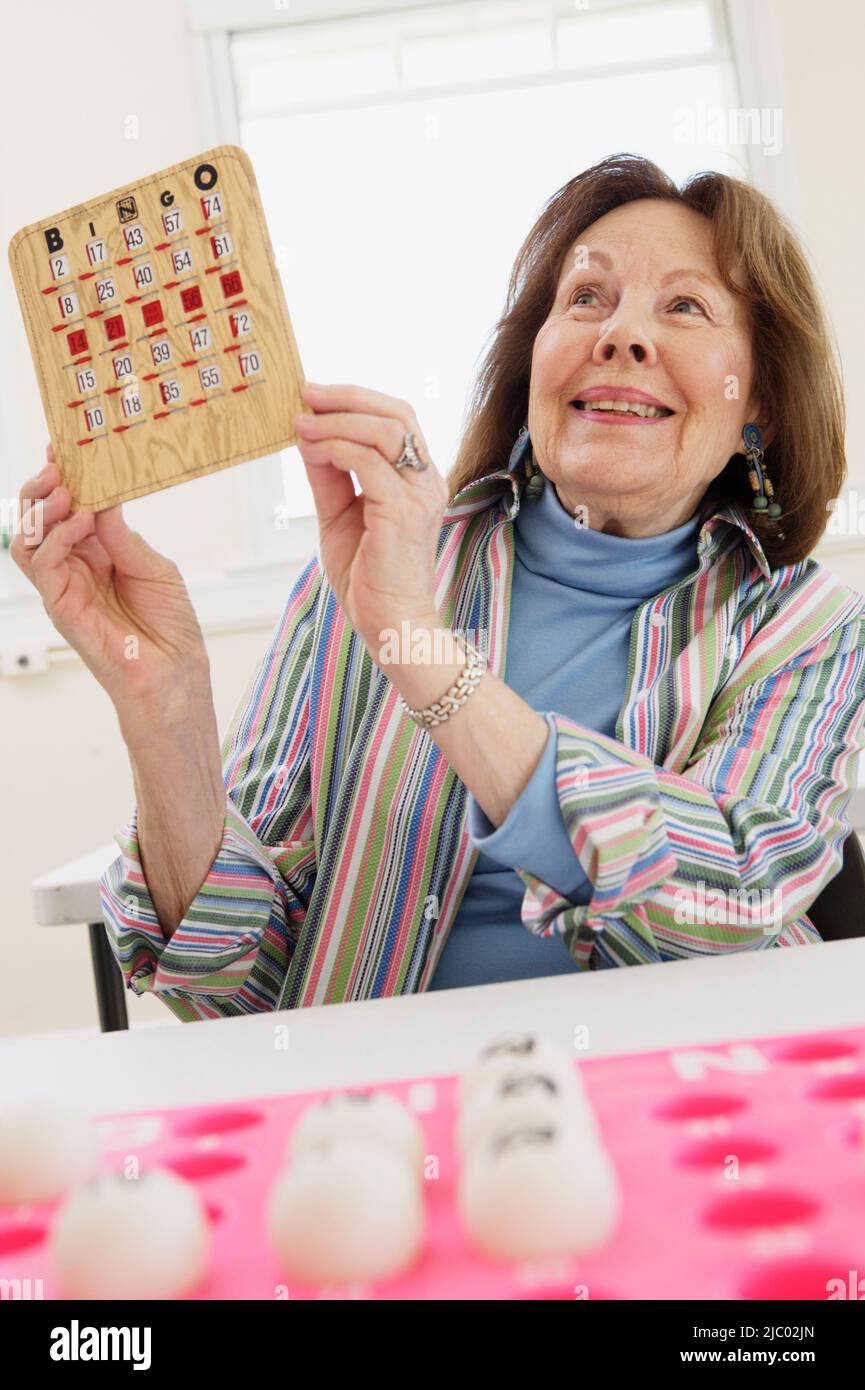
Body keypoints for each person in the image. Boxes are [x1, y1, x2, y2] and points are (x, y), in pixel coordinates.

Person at [13, 154, 865, 1022]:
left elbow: (731, 906)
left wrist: (417, 646)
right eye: (585, 299)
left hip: (675, 1099)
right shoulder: (364, 572)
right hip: (376, 1114)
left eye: (684, 307)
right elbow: (237, 983)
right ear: (533, 363)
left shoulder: (804, 624)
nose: (620, 336)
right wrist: (167, 707)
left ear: (757, 400)